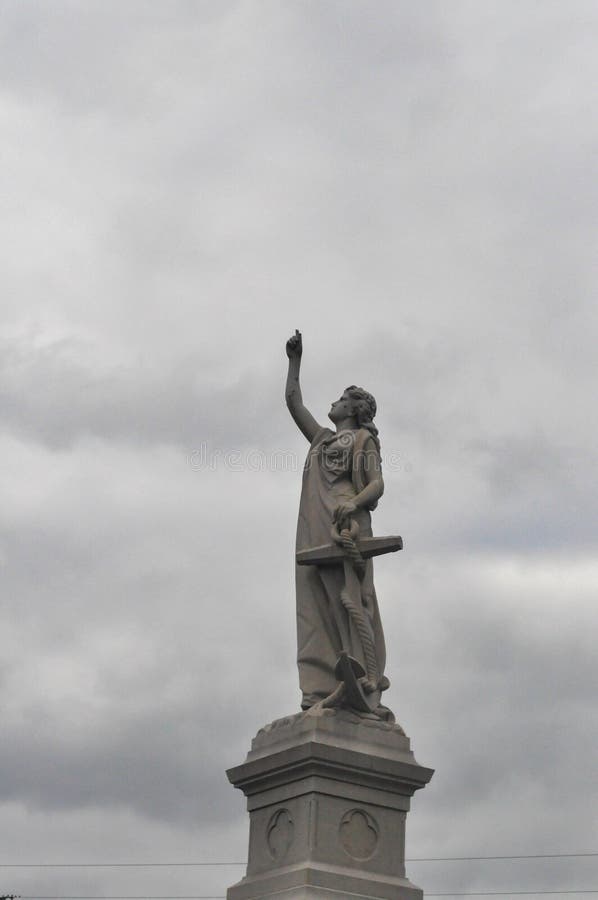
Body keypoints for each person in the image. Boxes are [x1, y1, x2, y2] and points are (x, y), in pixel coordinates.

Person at [285, 330, 390, 715]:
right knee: (316, 607)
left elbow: (376, 484)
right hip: (315, 529)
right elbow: (294, 403)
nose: (335, 400)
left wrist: (354, 505)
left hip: (345, 527)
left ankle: (363, 680)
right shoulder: (322, 440)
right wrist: (294, 363)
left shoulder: (362, 440)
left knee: (350, 604)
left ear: (354, 409)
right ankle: (320, 689)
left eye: (342, 398)